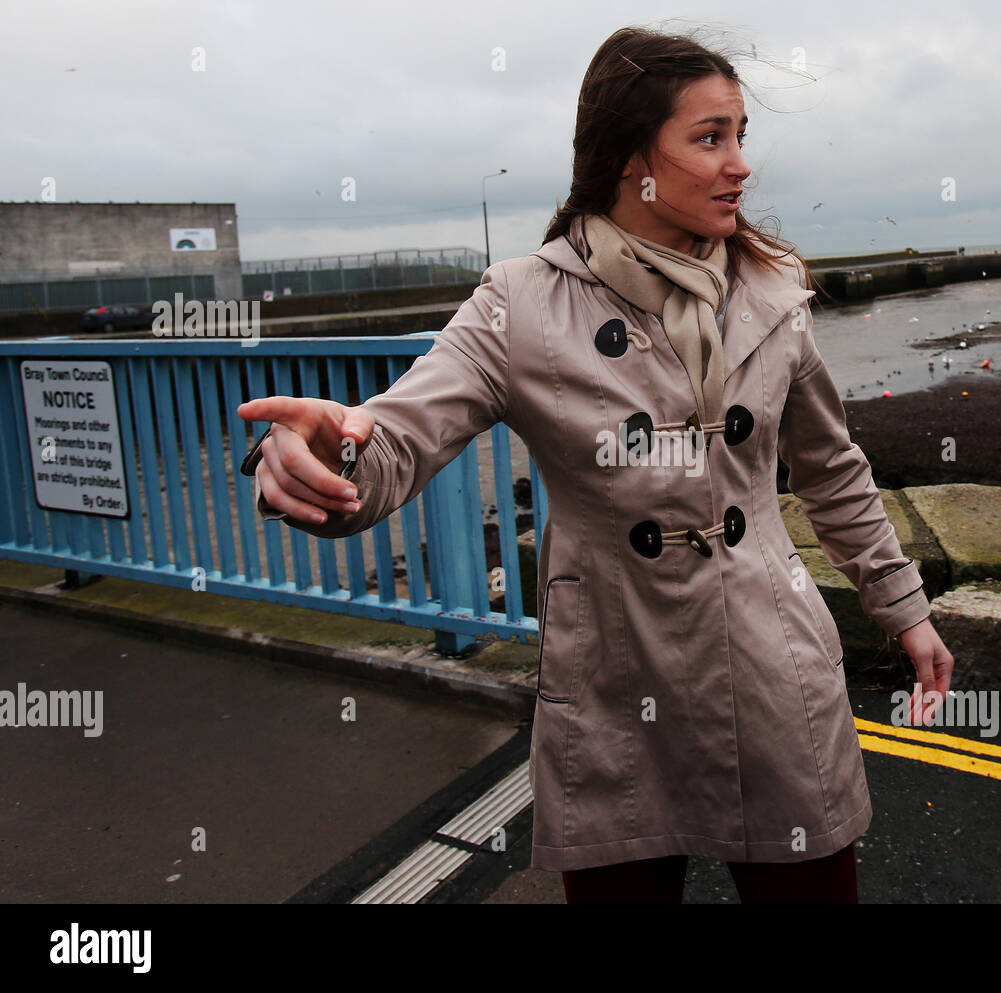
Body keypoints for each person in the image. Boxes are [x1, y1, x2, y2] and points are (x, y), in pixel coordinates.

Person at [237, 25, 954, 905]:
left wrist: (903, 607)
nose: (740, 164)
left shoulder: (773, 290)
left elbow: (831, 468)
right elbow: (396, 441)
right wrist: (327, 448)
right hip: (616, 695)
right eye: (709, 137)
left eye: (740, 135)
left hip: (775, 672)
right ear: (627, 157)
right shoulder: (522, 305)